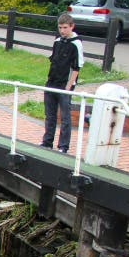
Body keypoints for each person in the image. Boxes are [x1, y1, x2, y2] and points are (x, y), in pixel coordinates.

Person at [41, 13, 84, 154]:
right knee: (50, 114)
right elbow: (53, 61)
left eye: (65, 28)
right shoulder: (57, 41)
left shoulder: (76, 44)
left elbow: (77, 68)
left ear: (72, 26)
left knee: (65, 116)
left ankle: (63, 146)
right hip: (52, 81)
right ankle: (47, 142)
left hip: (64, 84)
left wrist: (68, 86)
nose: (62, 31)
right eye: (60, 28)